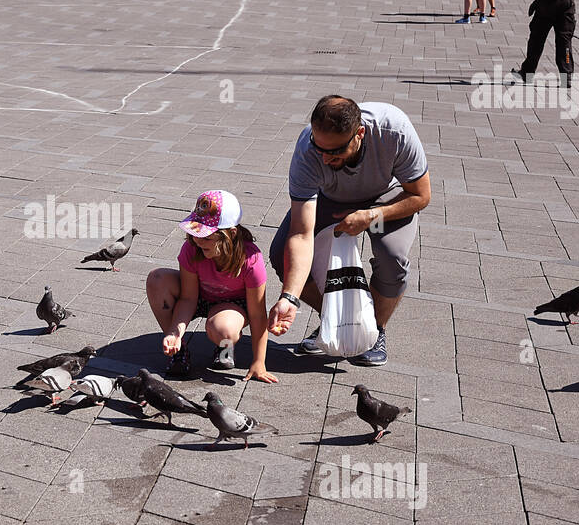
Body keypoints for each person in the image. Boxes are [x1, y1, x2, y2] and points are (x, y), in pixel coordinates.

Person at [267, 96, 432, 367]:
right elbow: (301, 233)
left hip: (386, 198)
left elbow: (421, 196)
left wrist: (371, 216)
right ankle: (338, 322)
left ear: (359, 134)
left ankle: (373, 331)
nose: (325, 158)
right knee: (281, 255)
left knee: (392, 257)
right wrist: (289, 298)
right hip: (329, 198)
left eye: (335, 152)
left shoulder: (394, 130)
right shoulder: (308, 151)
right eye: (319, 149)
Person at [146, 190, 277, 383]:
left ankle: (225, 346)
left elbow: (258, 315)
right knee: (157, 279)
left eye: (207, 237)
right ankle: (178, 350)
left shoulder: (251, 259)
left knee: (223, 329)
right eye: (196, 232)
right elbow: (188, 298)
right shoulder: (192, 248)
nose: (198, 241)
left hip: (234, 305)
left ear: (231, 234)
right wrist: (175, 332)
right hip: (201, 296)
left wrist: (259, 361)